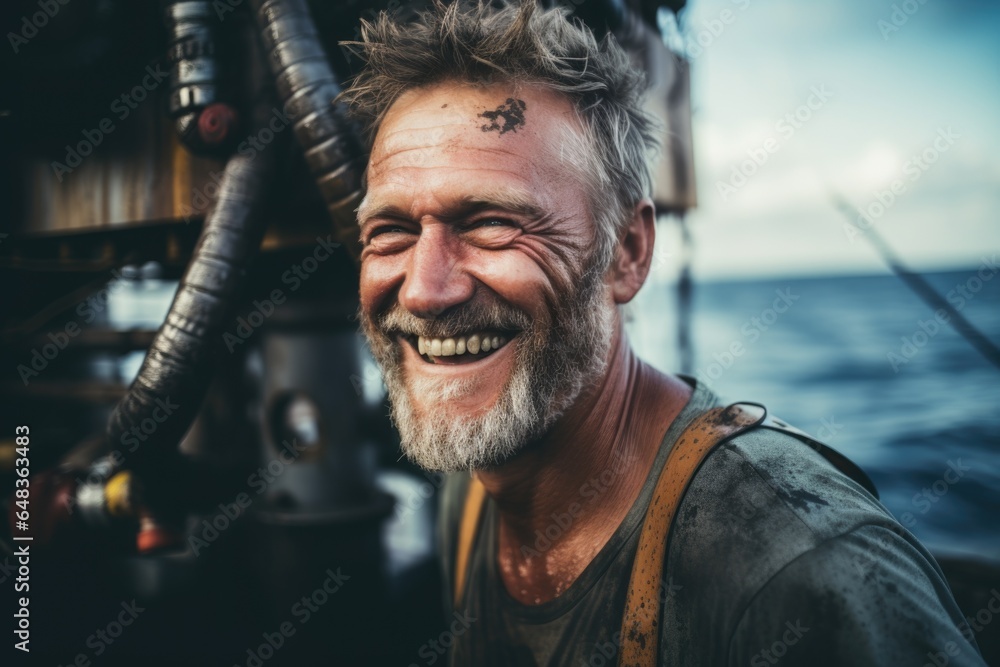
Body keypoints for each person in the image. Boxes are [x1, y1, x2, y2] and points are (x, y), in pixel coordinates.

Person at [341, 1, 986, 664]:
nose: (423, 287)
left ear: (626, 252)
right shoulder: (472, 486)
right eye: (389, 232)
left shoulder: (799, 570)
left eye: (492, 224)